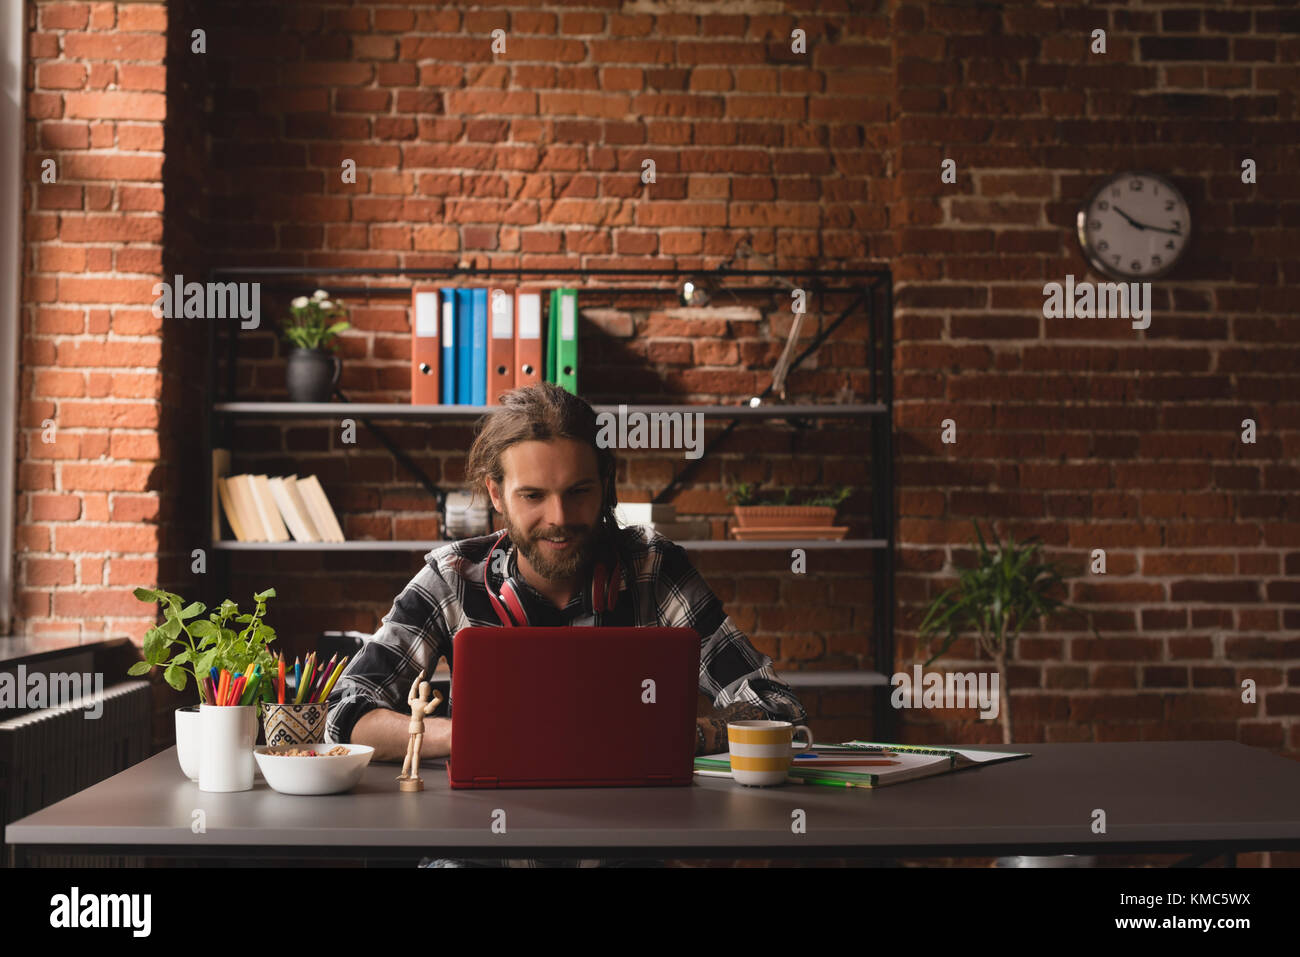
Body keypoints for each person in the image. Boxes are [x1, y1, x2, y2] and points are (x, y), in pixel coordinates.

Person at [326, 382, 808, 867]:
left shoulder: (654, 569)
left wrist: (689, 733)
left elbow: (777, 706)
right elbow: (343, 717)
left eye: (578, 492)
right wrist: (474, 735)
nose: (559, 518)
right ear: (496, 493)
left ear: (605, 485)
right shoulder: (451, 577)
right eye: (533, 495)